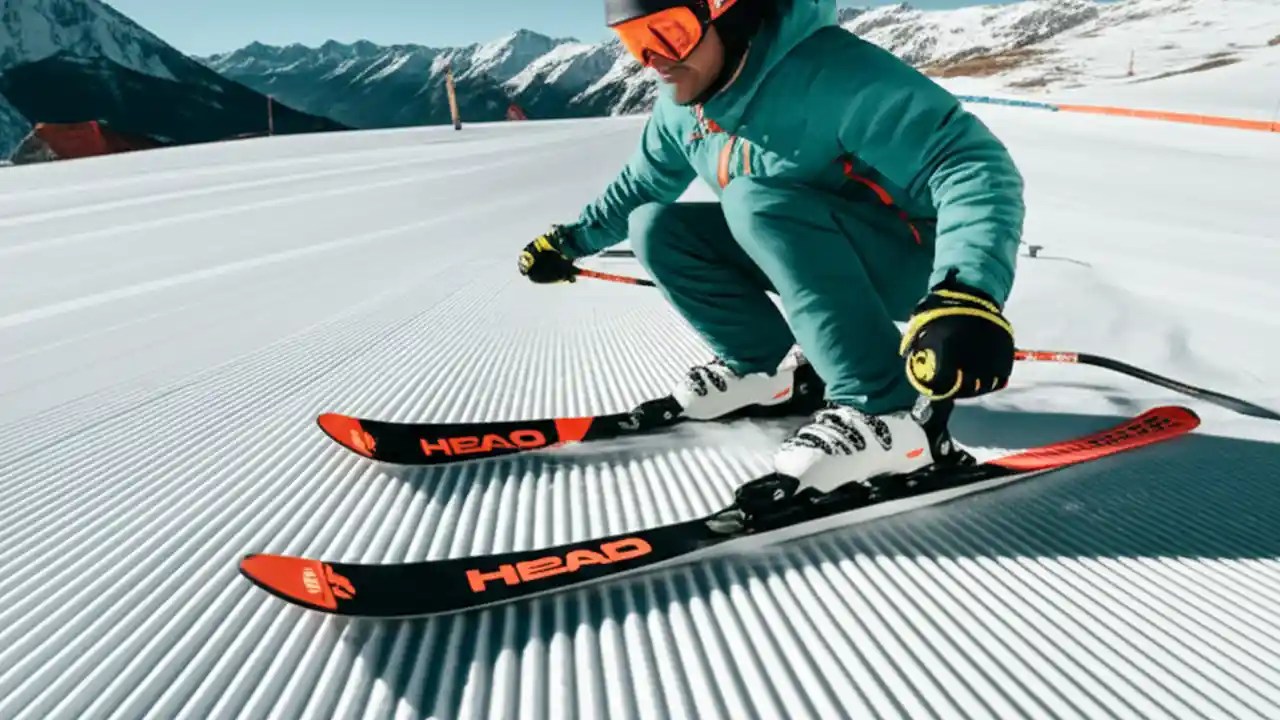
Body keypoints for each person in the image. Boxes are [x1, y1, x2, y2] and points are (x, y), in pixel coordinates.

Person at [518, 0, 1024, 507]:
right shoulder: (682, 105)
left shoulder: (830, 71)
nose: (655, 60)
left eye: (668, 33)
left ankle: (887, 411)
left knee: (752, 198)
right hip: (810, 243)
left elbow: (967, 161)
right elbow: (641, 185)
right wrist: (568, 243)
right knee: (654, 226)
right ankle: (760, 370)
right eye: (635, 41)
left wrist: (966, 290)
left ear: (729, 14)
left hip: (915, 263)